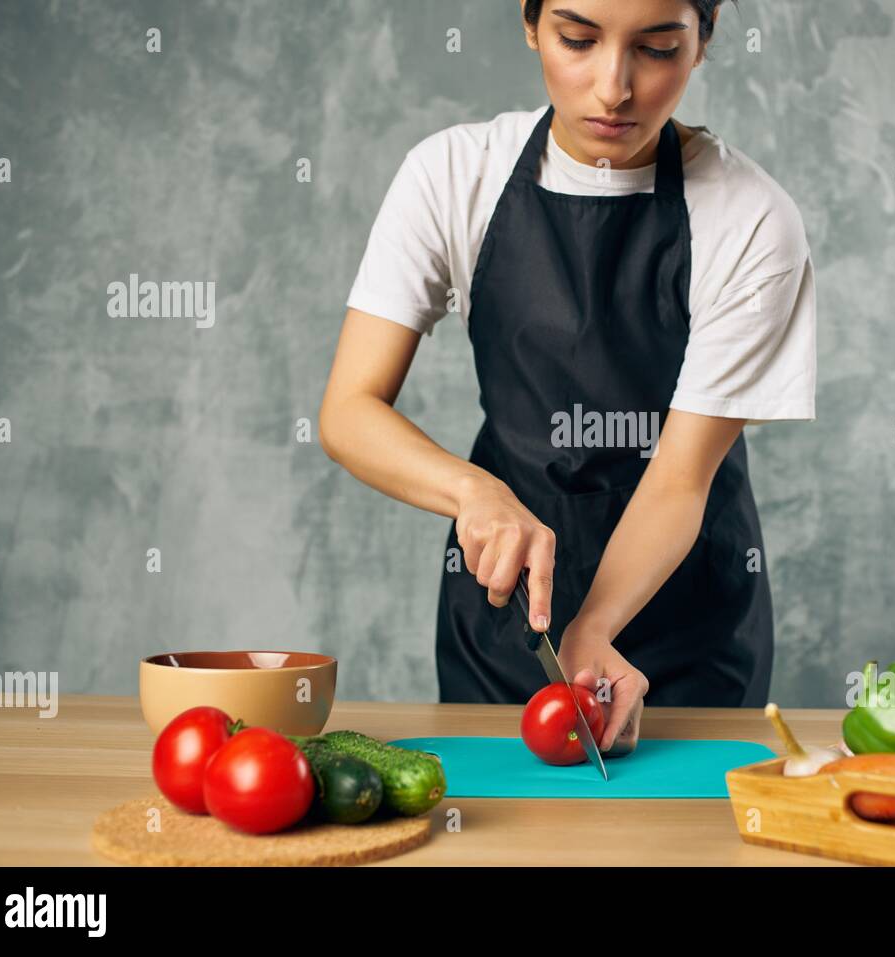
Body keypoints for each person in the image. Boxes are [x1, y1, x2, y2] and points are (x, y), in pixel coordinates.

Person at [320, 0, 815, 755]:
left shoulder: (749, 218)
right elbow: (349, 411)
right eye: (578, 40)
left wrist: (595, 627)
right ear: (529, 22)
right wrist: (472, 491)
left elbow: (680, 479)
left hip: (693, 625)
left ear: (703, 41)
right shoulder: (453, 176)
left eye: (656, 48)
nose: (612, 87)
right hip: (504, 614)